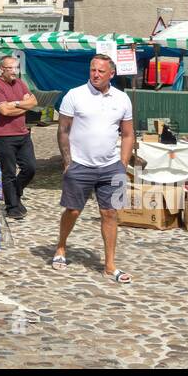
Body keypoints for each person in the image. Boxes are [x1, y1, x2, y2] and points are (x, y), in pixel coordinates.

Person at [52, 55, 135, 284]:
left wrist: (123, 164)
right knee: (73, 211)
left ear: (111, 74)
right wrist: (67, 161)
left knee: (110, 213)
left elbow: (128, 134)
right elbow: (63, 130)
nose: (96, 74)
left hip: (111, 167)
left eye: (101, 71)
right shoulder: (75, 95)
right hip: (80, 164)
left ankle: (110, 265)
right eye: (92, 70)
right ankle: (61, 247)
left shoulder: (122, 99)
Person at [0, 56, 38, 219]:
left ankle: (15, 192)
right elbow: (4, 111)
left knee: (30, 168)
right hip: (3, 134)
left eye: (16, 68)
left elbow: (33, 102)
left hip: (22, 133)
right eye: (11, 68)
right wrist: (23, 105)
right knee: (8, 171)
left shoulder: (20, 83)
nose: (15, 71)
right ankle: (12, 206)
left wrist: (15, 104)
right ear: (1, 69)